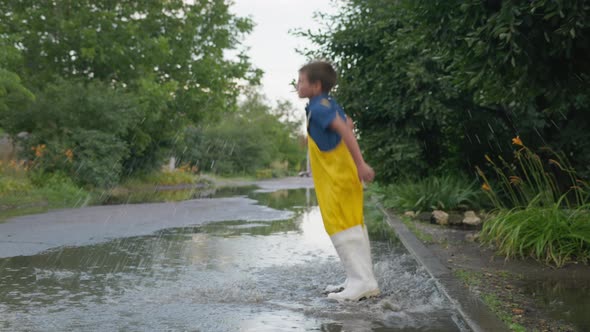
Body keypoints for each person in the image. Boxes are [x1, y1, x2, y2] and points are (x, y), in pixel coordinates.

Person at [297, 61, 379, 302]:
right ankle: (359, 279)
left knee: (341, 225)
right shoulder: (326, 104)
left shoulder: (320, 109)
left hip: (337, 178)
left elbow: (345, 130)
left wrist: (361, 163)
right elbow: (349, 123)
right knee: (352, 224)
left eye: (301, 81)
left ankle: (362, 281)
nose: (297, 85)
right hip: (341, 176)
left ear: (316, 85)